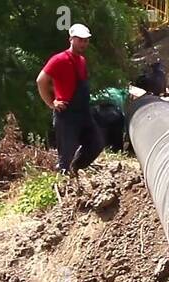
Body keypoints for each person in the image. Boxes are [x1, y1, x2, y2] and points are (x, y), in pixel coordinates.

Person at [36, 23, 104, 174]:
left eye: (86, 40)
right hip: (67, 114)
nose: (83, 43)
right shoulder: (58, 59)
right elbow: (41, 81)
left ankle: (75, 168)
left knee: (96, 144)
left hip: (84, 113)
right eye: (80, 40)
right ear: (71, 39)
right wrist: (51, 103)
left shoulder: (81, 61)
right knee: (65, 155)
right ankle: (64, 181)